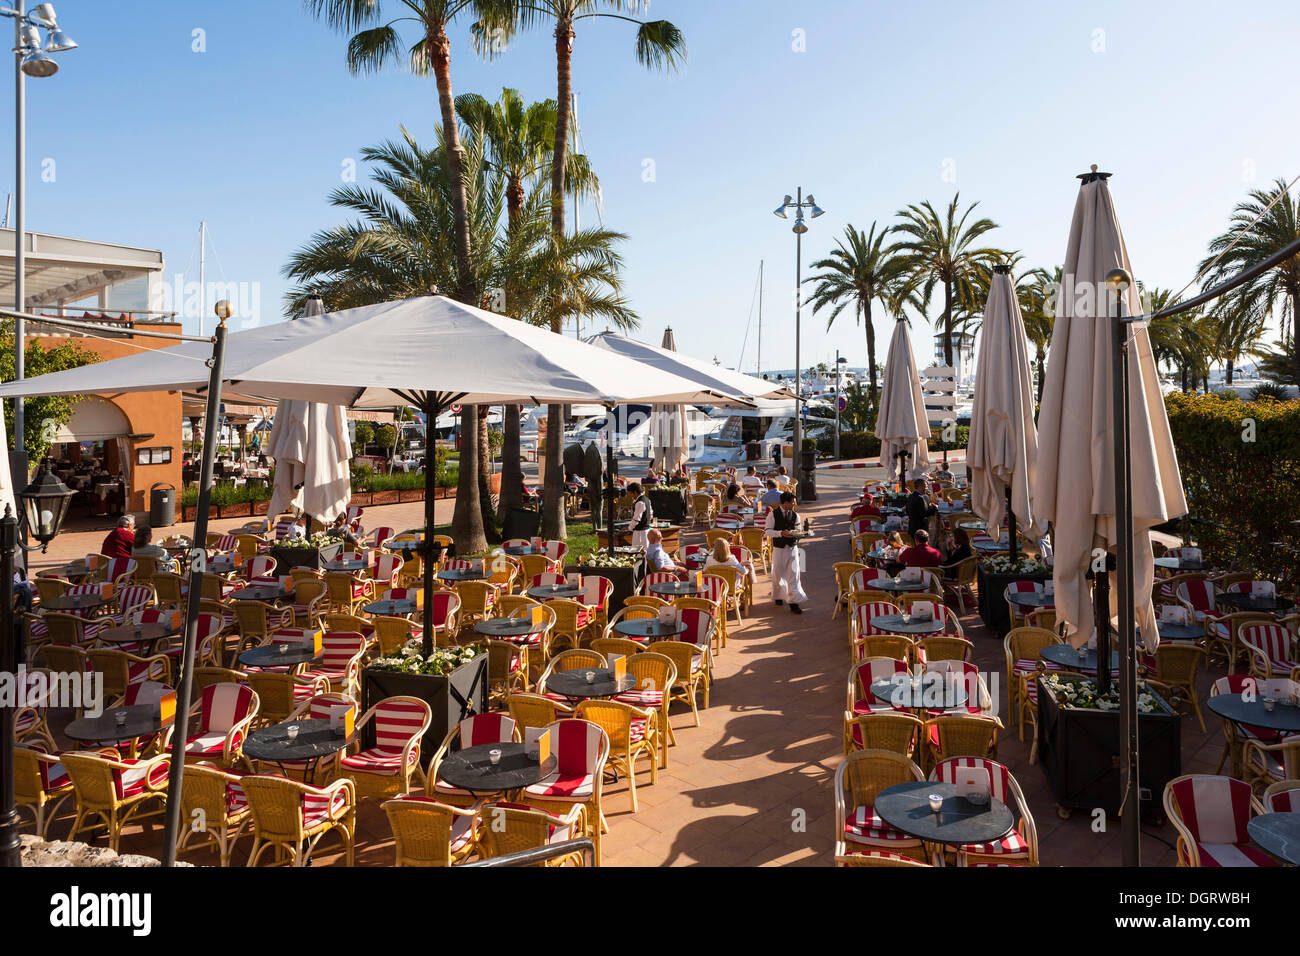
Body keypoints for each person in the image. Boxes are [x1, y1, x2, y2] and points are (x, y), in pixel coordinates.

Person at [765, 491, 808, 613]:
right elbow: (767, 531)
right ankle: (778, 595)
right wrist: (780, 533)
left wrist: (799, 534)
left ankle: (794, 602)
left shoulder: (795, 515)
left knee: (794, 576)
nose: (794, 505)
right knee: (778, 574)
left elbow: (798, 530)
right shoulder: (772, 515)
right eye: (792, 503)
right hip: (778, 549)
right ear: (785, 503)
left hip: (792, 548)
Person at [627, 482, 654, 549]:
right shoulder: (647, 500)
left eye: (630, 493)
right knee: (645, 552)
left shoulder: (639, 502)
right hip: (646, 531)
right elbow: (651, 514)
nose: (630, 495)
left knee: (637, 552)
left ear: (635, 492)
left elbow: (636, 519)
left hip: (639, 533)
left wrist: (629, 528)